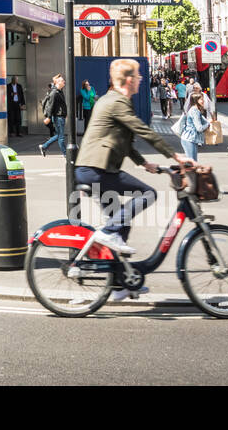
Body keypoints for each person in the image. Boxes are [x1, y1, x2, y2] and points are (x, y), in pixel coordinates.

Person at [74, 59, 194, 281]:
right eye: (138, 77)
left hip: (93, 169)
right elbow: (144, 131)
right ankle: (109, 233)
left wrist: (143, 163)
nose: (140, 80)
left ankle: (120, 283)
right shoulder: (117, 102)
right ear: (129, 80)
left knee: (123, 223)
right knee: (148, 194)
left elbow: (123, 141)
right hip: (96, 170)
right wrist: (175, 155)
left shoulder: (112, 99)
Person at [179, 90, 211, 162]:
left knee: (192, 162)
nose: (203, 101)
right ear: (196, 100)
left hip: (191, 139)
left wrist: (208, 122)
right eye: (201, 99)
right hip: (189, 139)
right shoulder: (194, 111)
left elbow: (203, 121)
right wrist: (208, 124)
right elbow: (199, 128)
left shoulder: (196, 110)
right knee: (192, 163)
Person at [39, 74, 67, 155]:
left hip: (61, 116)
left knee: (58, 135)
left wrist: (65, 113)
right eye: (62, 80)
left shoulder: (60, 91)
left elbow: (61, 105)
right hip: (58, 117)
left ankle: (44, 146)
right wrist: (48, 117)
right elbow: (51, 106)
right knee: (61, 137)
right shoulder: (54, 93)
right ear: (57, 83)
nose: (64, 81)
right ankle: (66, 155)